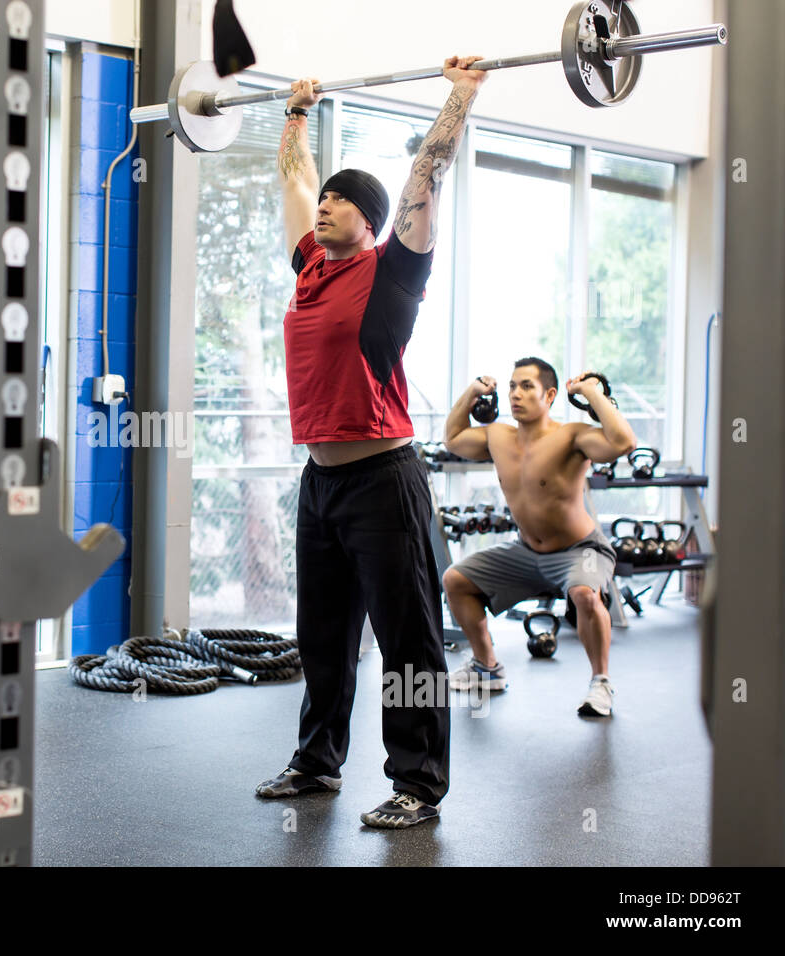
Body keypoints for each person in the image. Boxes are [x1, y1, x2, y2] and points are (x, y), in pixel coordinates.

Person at [254, 58, 487, 829]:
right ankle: (318, 764)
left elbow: (429, 172)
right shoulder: (310, 269)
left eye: (342, 200)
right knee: (322, 637)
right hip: (319, 483)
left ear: (373, 217)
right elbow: (292, 180)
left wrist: (459, 96)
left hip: (384, 479)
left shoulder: (393, 272)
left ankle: (418, 783)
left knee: (407, 643)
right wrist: (294, 113)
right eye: (325, 198)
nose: (324, 206)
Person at [441, 359, 637, 716]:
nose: (516, 394)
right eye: (513, 386)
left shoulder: (572, 435)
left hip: (583, 550)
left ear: (549, 395)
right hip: (526, 551)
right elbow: (452, 438)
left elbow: (624, 442)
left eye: (527, 386)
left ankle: (601, 682)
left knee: (584, 594)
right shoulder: (497, 437)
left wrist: (591, 391)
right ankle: (487, 668)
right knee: (455, 580)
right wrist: (472, 391)